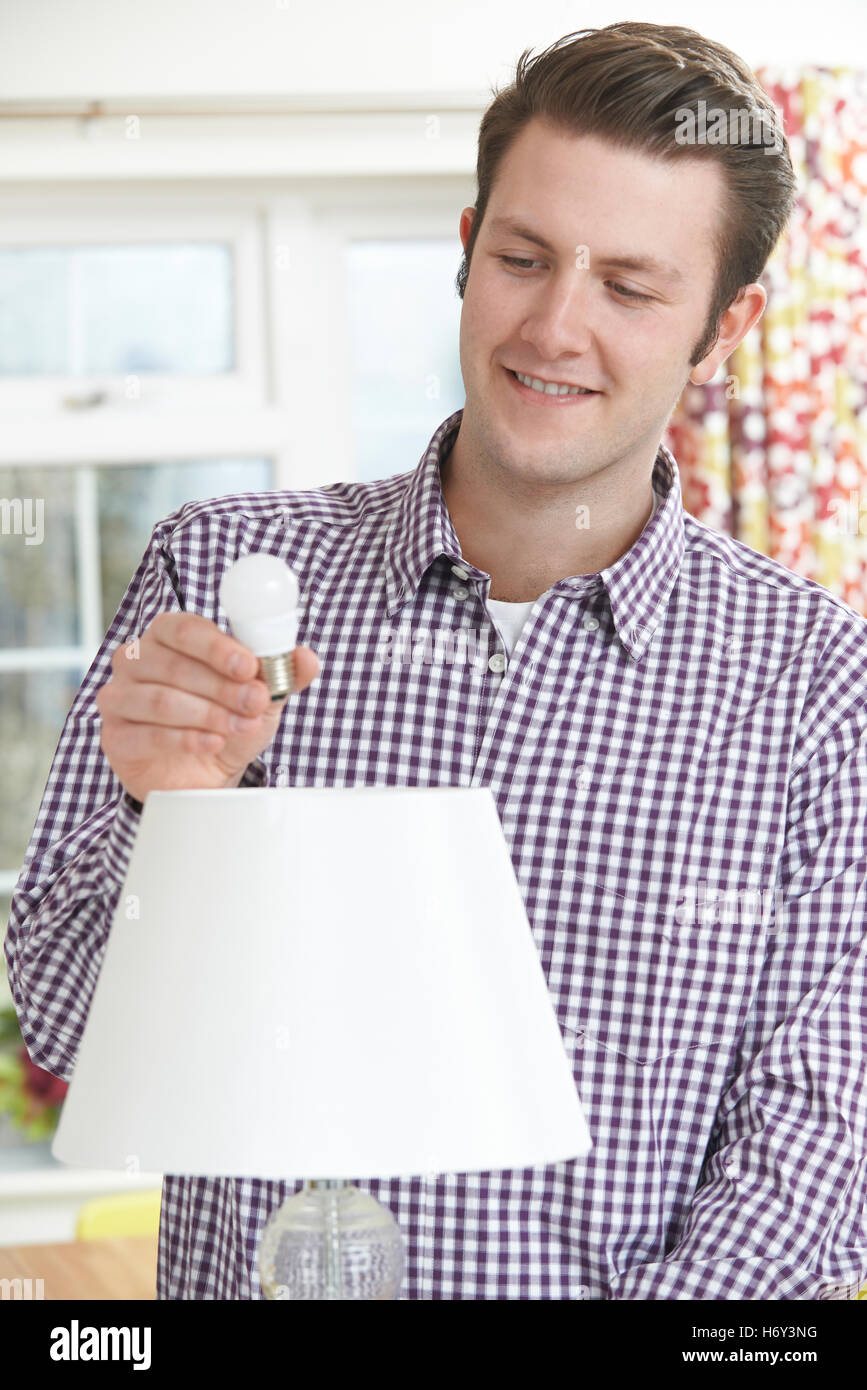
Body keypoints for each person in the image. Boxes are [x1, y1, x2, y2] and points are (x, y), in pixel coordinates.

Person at [6, 21, 867, 1300]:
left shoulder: (819, 689)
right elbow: (68, 1032)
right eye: (523, 258)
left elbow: (813, 1165)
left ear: (726, 326)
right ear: (467, 252)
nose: (556, 328)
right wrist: (162, 814)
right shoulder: (215, 574)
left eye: (630, 287)